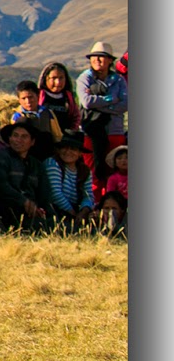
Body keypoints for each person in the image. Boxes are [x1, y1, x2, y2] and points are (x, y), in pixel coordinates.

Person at [76, 41, 127, 188]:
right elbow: (86, 102)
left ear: (110, 60)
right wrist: (111, 100)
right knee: (92, 171)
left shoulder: (119, 80)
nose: (97, 60)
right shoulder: (84, 78)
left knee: (113, 170)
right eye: (94, 56)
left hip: (114, 131)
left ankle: (110, 204)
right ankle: (94, 203)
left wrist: (98, 104)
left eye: (101, 56)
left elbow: (125, 104)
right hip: (91, 130)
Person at [0, 121, 52, 231]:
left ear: (32, 142)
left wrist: (40, 208)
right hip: (8, 210)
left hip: (32, 211)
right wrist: (24, 201)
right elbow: (1, 186)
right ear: (9, 139)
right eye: (15, 135)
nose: (18, 140)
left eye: (24, 137)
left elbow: (44, 192)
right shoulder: (1, 157)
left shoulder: (37, 165)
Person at [44, 130, 94, 232]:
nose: (68, 152)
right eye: (64, 147)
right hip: (55, 211)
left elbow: (88, 195)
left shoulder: (84, 170)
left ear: (80, 153)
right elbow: (55, 193)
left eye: (73, 149)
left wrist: (84, 211)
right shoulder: (52, 163)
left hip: (76, 210)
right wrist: (73, 214)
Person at [36, 60, 79, 132]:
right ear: (46, 78)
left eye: (61, 78)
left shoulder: (68, 97)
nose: (58, 82)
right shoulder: (38, 96)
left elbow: (76, 116)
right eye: (54, 78)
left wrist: (72, 130)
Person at [99, 144, 127, 236]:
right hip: (117, 204)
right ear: (115, 162)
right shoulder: (113, 178)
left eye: (127, 158)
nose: (123, 161)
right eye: (119, 158)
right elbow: (110, 195)